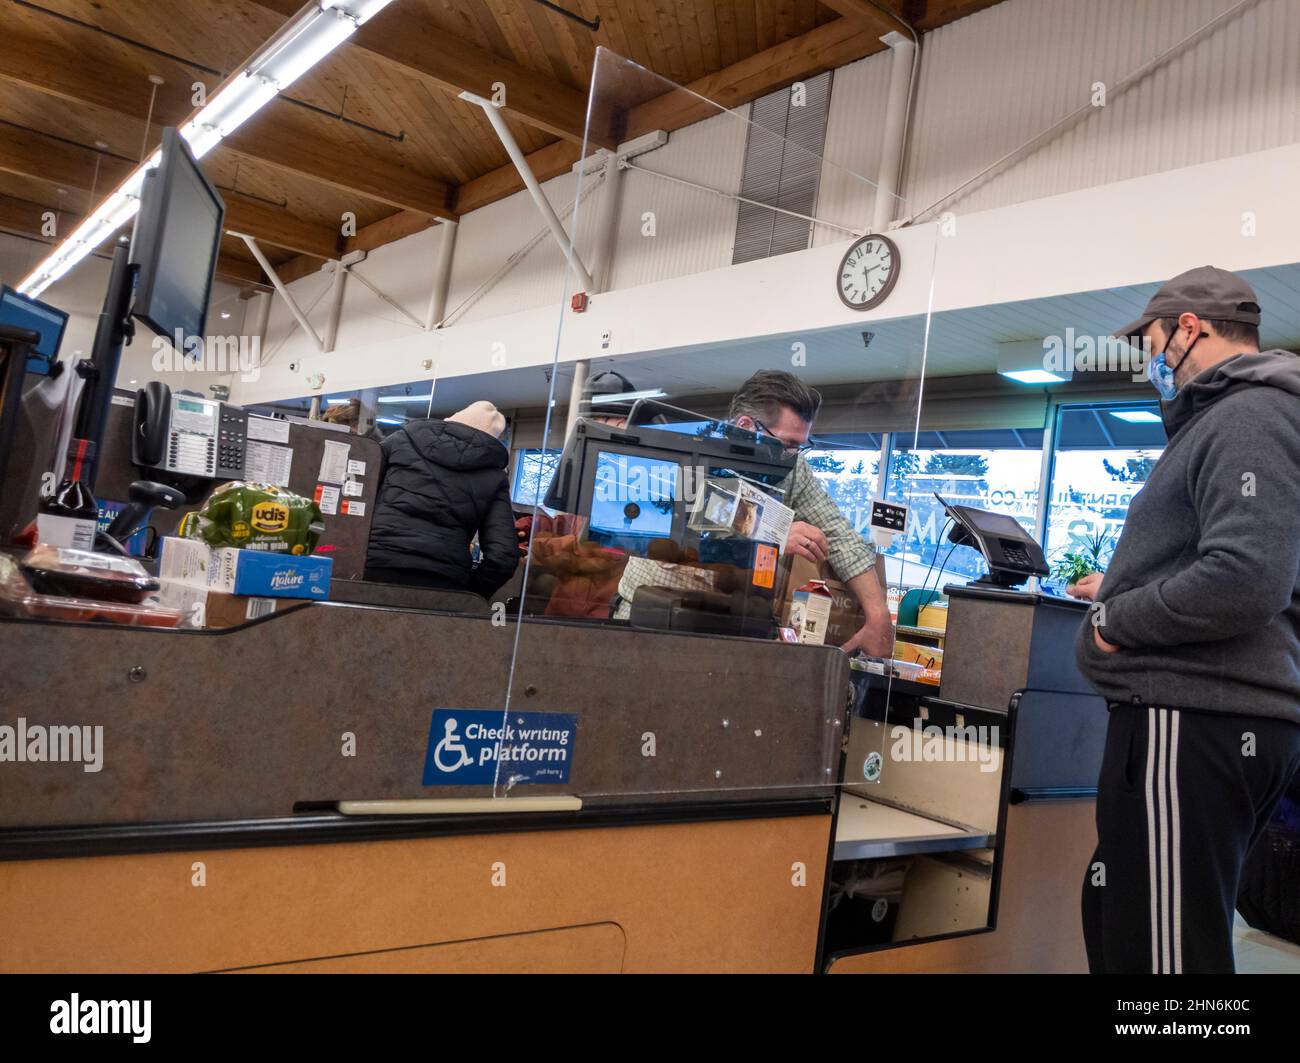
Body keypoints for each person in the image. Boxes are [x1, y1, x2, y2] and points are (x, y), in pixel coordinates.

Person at [1069, 265, 1300, 973]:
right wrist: (1129, 579)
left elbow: (1248, 577)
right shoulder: (1230, 419)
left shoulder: (1250, 414)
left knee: (1169, 963)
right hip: (1195, 715)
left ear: (1189, 329)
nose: (1148, 360)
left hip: (1194, 714)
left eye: (1152, 342)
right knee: (1115, 910)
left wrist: (1115, 618)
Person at [613, 370, 894, 656]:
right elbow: (680, 528)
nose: (794, 455)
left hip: (730, 625)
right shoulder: (688, 449)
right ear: (747, 425)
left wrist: (877, 614)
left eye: (801, 445)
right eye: (787, 444)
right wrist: (773, 533)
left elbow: (839, 536)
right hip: (650, 619)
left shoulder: (792, 469)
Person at [364, 400, 518, 597]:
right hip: (443, 583)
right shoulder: (495, 477)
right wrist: (471, 594)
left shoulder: (401, 440)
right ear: (492, 439)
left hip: (377, 564)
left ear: (451, 420)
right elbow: (503, 557)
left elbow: (359, 495)